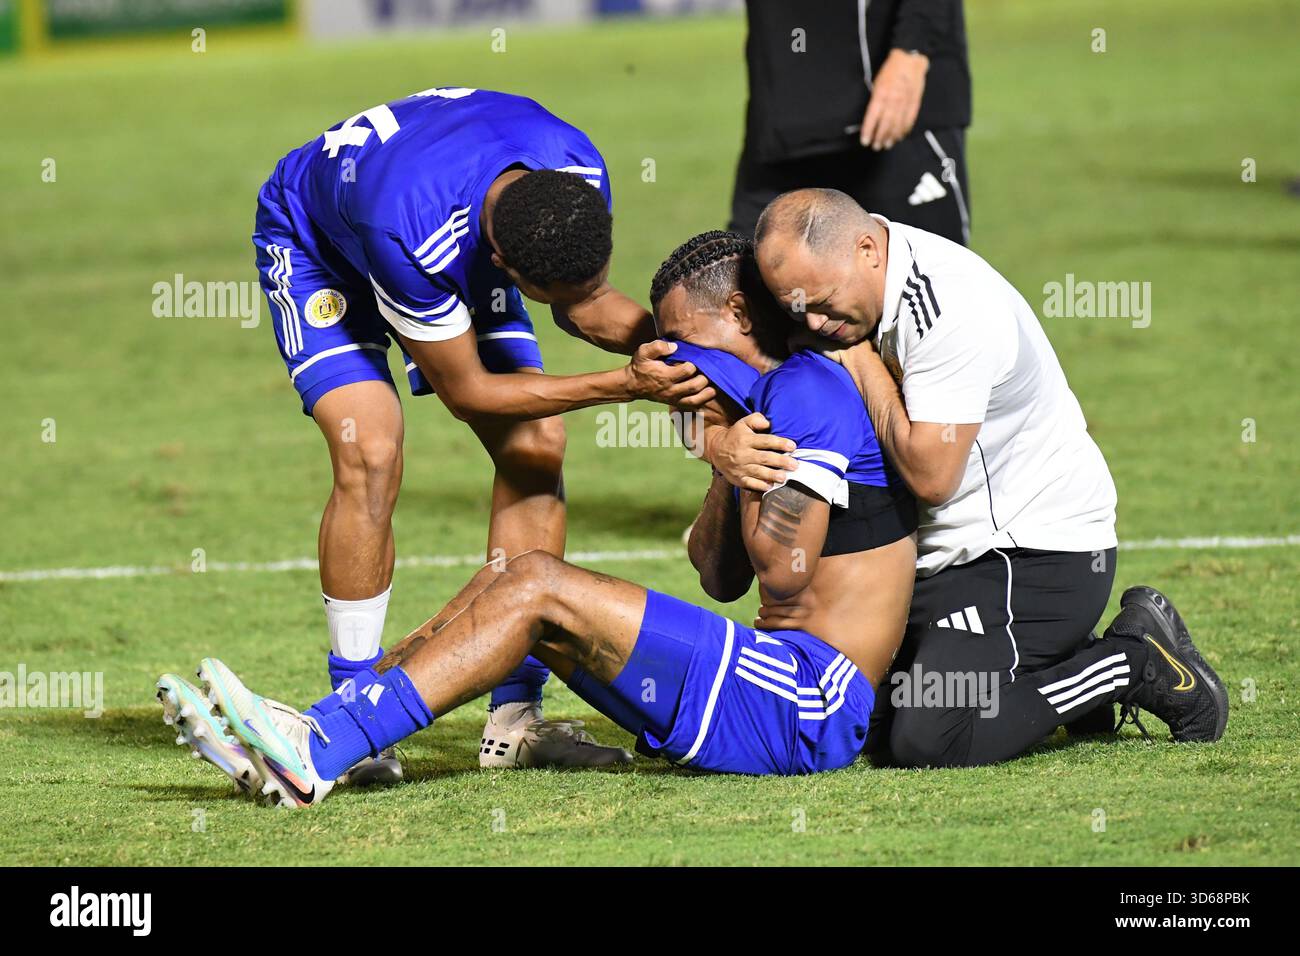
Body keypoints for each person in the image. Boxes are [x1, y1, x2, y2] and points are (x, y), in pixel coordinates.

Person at [156, 231, 917, 805]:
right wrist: (723, 460)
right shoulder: (762, 402)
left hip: (811, 703)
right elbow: (719, 577)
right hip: (765, 684)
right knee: (519, 577)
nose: (677, 362)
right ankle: (327, 731)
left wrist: (748, 460)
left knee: (540, 586)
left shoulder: (808, 397)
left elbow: (781, 566)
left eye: (684, 339)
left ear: (742, 312)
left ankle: (314, 755)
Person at [250, 85, 713, 779]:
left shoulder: (575, 174)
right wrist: (627, 384)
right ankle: (355, 717)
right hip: (326, 240)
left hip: (447, 218)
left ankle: (515, 722)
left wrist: (699, 364)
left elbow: (583, 308)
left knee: (538, 447)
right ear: (505, 268)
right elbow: (470, 394)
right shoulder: (407, 227)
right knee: (368, 447)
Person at [721, 188, 1228, 767]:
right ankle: (1056, 668)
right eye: (797, 309)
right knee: (859, 717)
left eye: (825, 303)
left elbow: (932, 475)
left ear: (867, 248)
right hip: (943, 565)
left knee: (931, 736)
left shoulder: (949, 308)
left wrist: (860, 359)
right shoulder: (847, 293)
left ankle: (1132, 662)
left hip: (1028, 554)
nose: (813, 323)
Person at [729, 0, 972, 244]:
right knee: (739, 275)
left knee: (917, 272)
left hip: (890, 114)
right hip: (779, 124)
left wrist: (912, 49)